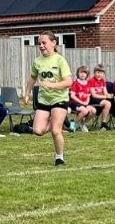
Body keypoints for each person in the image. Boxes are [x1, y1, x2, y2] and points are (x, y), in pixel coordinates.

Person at [22, 31, 72, 165]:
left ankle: (59, 157)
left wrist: (51, 85)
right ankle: (56, 118)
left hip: (59, 99)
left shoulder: (60, 60)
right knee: (38, 131)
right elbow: (33, 77)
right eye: (39, 43)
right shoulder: (37, 61)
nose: (41, 46)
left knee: (56, 131)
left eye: (44, 43)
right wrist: (27, 93)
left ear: (53, 43)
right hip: (44, 100)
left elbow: (68, 82)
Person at [70, 66, 98, 131]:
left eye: (84, 73)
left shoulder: (87, 84)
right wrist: (81, 102)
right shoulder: (75, 83)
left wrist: (87, 102)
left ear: (87, 74)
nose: (83, 74)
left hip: (84, 104)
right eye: (81, 72)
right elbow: (72, 96)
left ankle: (83, 124)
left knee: (93, 110)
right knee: (84, 111)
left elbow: (88, 95)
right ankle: (73, 125)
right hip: (75, 103)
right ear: (78, 73)